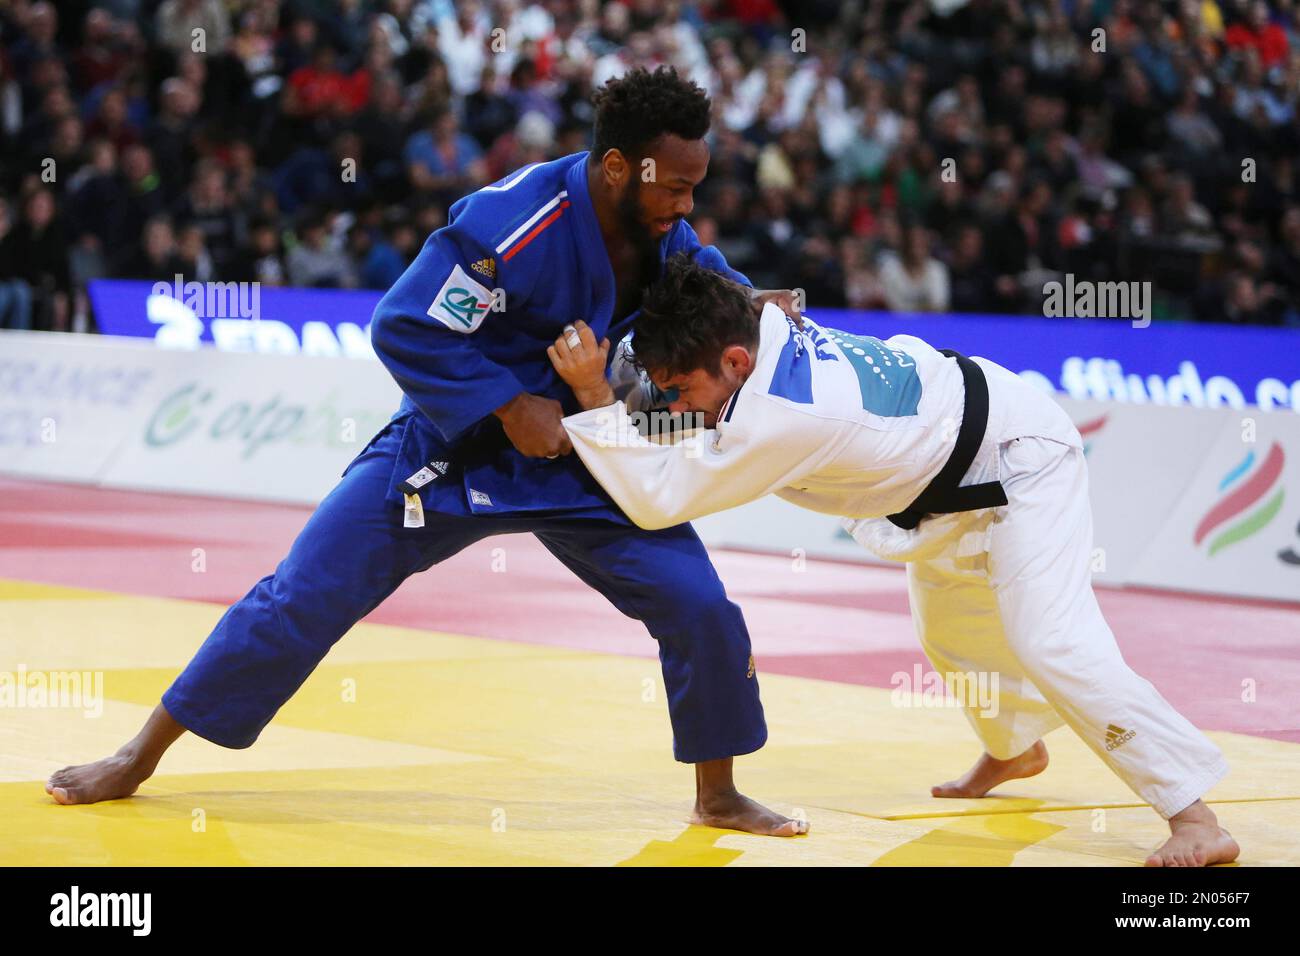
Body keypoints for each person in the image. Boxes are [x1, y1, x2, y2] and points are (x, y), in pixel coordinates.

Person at [45, 68, 809, 838]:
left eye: (693, 188)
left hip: (584, 456)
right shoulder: (509, 226)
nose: (688, 206)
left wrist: (758, 308)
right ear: (619, 167)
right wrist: (510, 404)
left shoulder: (665, 237)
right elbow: (402, 325)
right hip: (454, 450)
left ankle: (718, 794)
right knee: (302, 595)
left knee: (702, 606)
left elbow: (717, 299)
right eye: (676, 188)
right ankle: (138, 756)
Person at [552, 253, 1239, 867]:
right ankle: (1015, 748)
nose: (677, 406)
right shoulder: (760, 317)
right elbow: (737, 334)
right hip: (941, 474)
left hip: (1017, 458)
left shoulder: (784, 416)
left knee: (1050, 641)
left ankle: (1195, 816)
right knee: (950, 632)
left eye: (682, 391)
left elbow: (658, 499)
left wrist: (591, 396)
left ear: (734, 364)